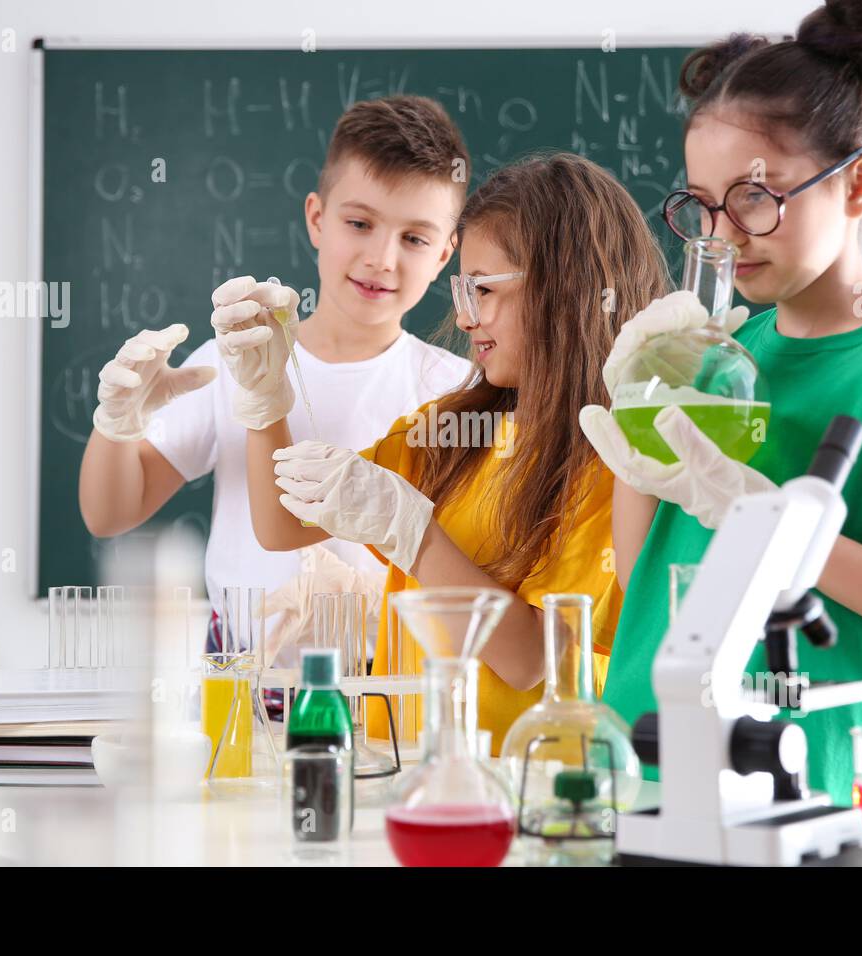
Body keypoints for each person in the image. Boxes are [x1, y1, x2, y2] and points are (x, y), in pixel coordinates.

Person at [581, 0, 862, 805]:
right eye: (704, 204)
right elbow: (651, 583)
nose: (724, 235)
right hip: (649, 766)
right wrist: (638, 418)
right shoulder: (721, 356)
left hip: (811, 785)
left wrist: (773, 526)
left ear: (860, 185)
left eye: (753, 197)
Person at [233, 153, 673, 749]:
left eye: (485, 290)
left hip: (536, 785)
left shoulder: (617, 459)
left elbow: (528, 660)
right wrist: (265, 406)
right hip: (411, 765)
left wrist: (416, 537)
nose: (464, 317)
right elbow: (283, 525)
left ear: (567, 290)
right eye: (462, 290)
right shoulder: (449, 432)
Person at [78, 96, 473, 655]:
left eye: (415, 238)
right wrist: (117, 423)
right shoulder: (234, 357)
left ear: (445, 254)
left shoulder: (454, 390)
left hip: (389, 688)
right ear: (316, 218)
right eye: (359, 223)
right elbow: (109, 513)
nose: (383, 258)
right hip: (240, 680)